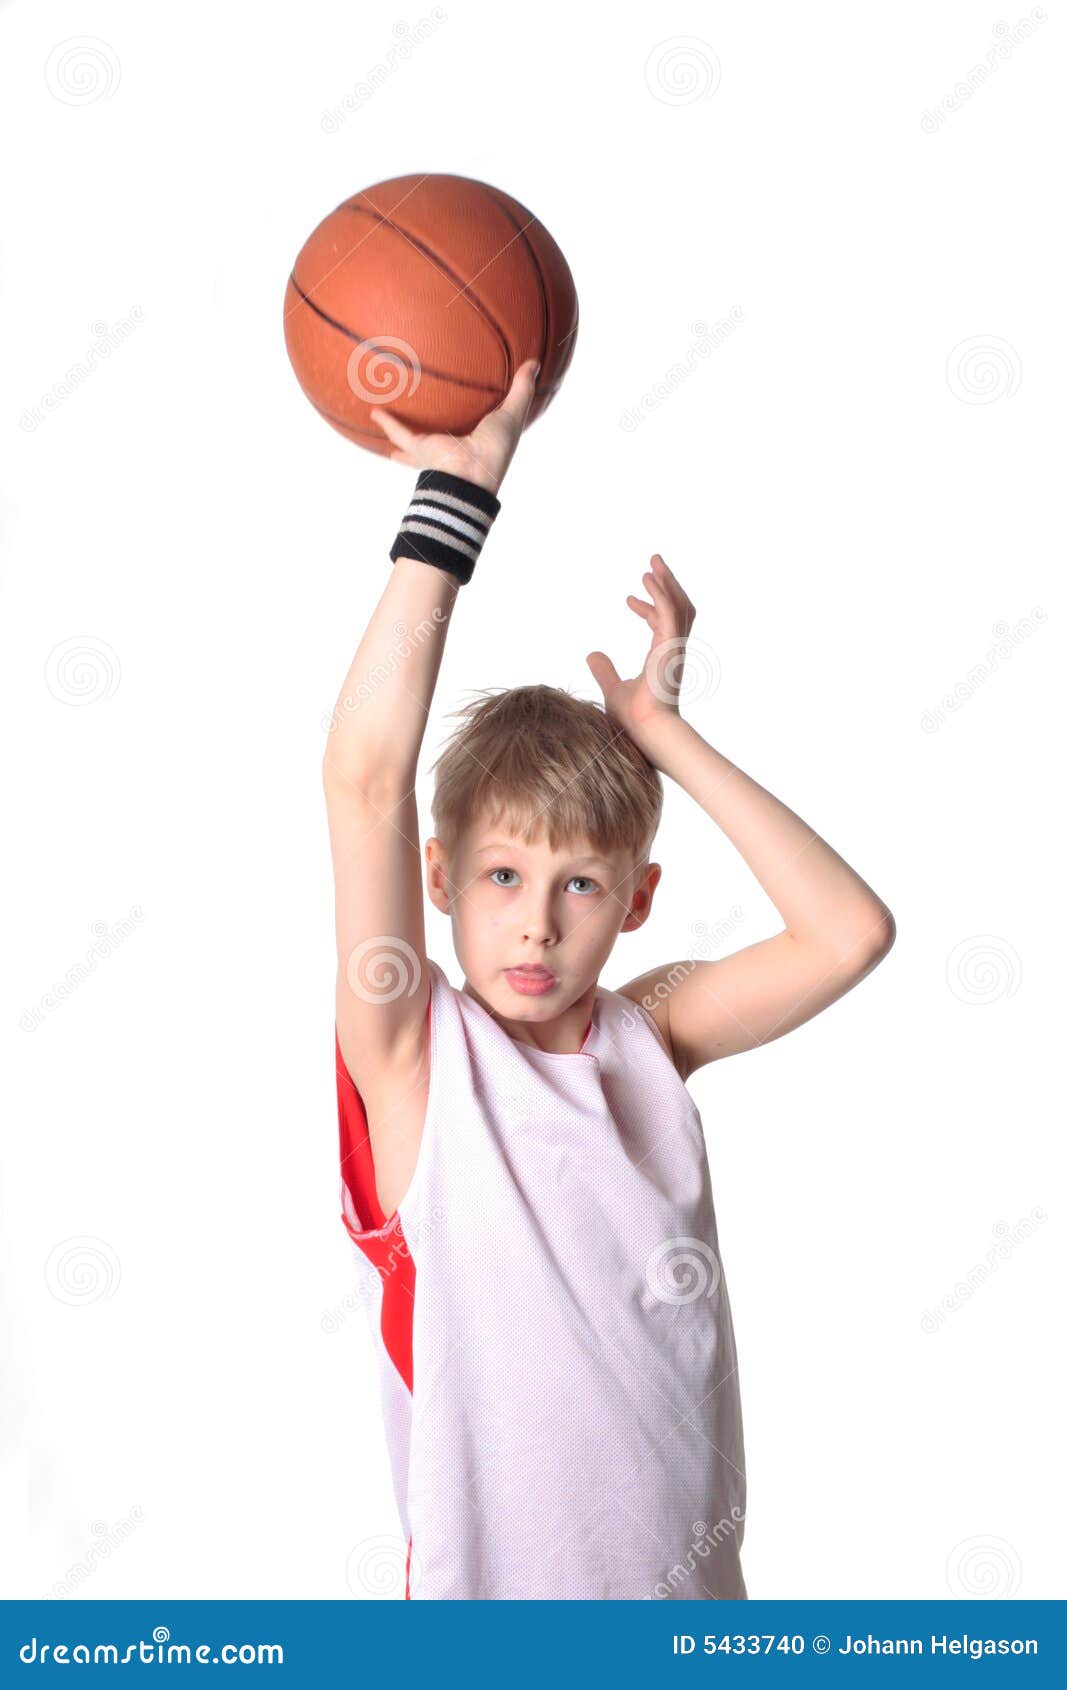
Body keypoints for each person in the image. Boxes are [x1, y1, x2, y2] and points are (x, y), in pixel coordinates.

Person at [321, 361, 896, 1600]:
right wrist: (452, 504)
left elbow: (846, 933)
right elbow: (365, 776)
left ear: (634, 901)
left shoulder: (652, 1029)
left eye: (579, 885)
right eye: (501, 879)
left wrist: (664, 741)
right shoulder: (415, 1058)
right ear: (438, 879)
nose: (535, 925)